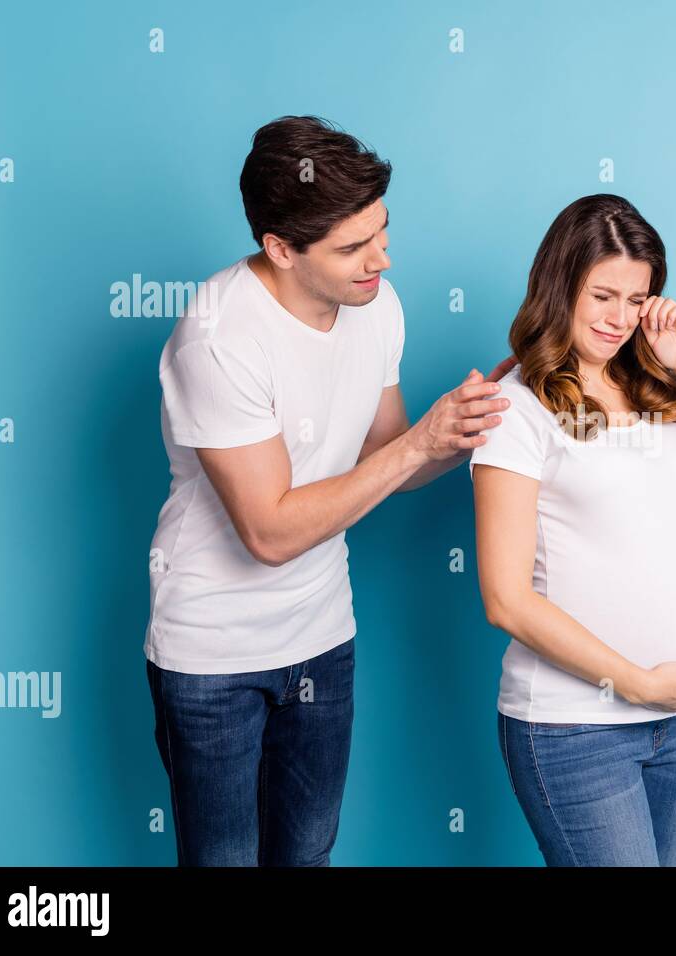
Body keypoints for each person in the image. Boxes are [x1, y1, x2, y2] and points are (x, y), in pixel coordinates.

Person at [144, 115, 514, 866]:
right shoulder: (218, 338)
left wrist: (468, 429)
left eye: (381, 231)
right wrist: (419, 441)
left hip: (321, 639)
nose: (381, 258)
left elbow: (387, 459)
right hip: (212, 657)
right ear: (280, 249)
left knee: (307, 856)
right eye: (352, 248)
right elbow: (271, 533)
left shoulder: (376, 304)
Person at [470, 194, 676, 866]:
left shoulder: (658, 389)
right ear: (559, 284)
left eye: (637, 298)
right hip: (574, 729)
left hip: (674, 724)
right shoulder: (518, 408)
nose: (619, 318)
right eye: (602, 295)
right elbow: (505, 599)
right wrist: (632, 681)